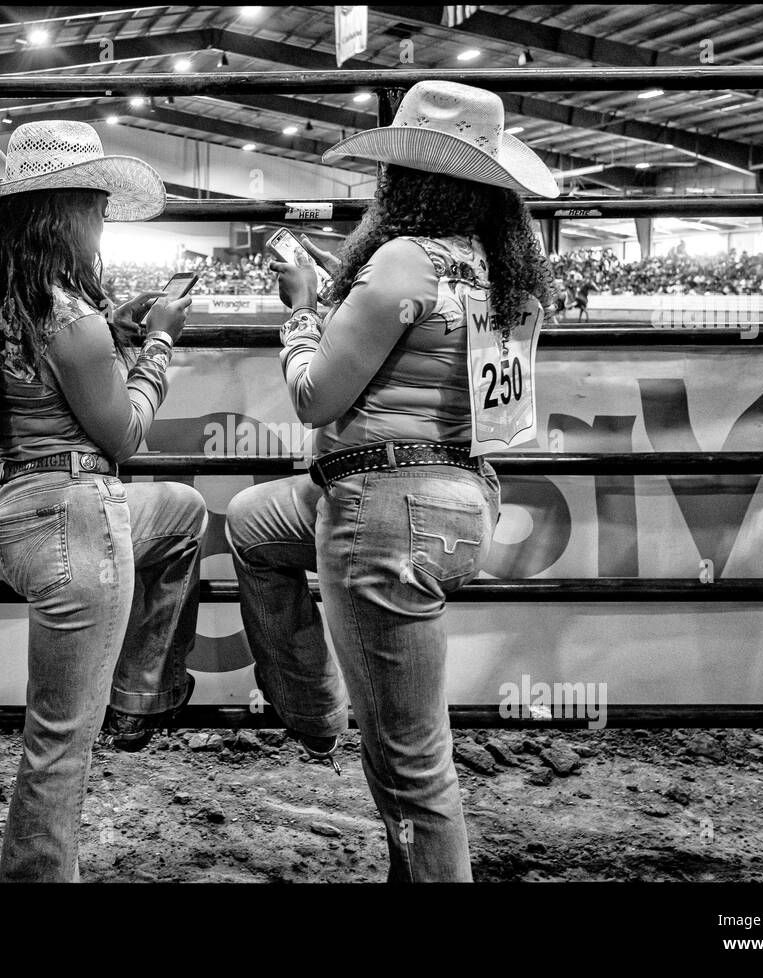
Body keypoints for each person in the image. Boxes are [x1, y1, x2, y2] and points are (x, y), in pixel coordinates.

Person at [225, 81, 558, 882]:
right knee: (252, 523)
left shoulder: (404, 260)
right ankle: (314, 709)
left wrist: (301, 311)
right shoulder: (510, 276)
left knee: (412, 767)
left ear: (405, 178)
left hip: (384, 510)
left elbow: (316, 397)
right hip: (460, 500)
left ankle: (315, 715)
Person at [0, 121, 205, 882]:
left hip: (10, 507)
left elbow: (40, 375)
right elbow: (125, 437)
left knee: (181, 513)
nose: (104, 221)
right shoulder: (71, 318)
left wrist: (116, 331)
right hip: (74, 523)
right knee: (58, 744)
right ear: (71, 214)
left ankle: (138, 696)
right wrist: (157, 347)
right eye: (97, 207)